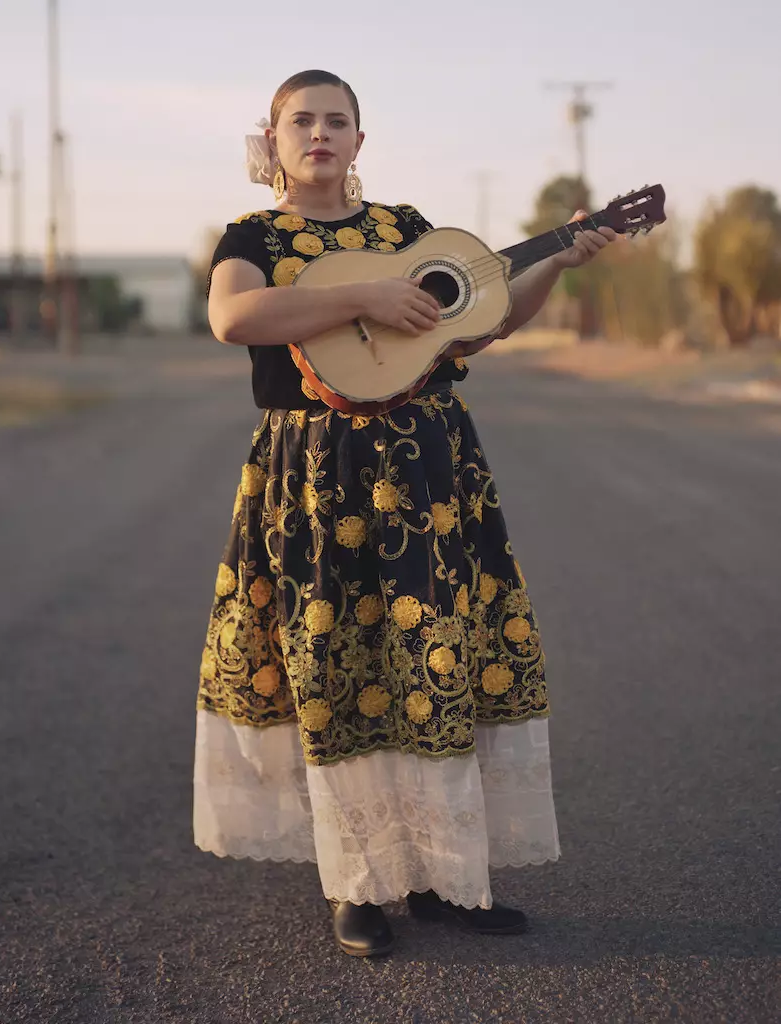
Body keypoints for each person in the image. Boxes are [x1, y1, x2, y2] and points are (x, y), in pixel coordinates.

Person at [193, 69, 615, 957]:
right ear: (272, 141)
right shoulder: (254, 236)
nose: (318, 133)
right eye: (300, 120)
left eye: (336, 120)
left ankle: (444, 879)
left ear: (358, 140)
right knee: (339, 669)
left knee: (433, 659)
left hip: (426, 471)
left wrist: (553, 264)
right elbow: (233, 315)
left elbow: (481, 327)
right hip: (314, 474)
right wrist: (360, 297)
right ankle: (358, 887)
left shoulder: (407, 232)